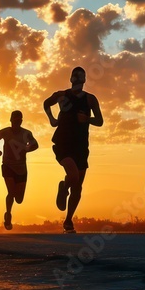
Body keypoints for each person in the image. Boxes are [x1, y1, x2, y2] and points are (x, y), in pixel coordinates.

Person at [42, 67, 104, 233]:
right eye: (75, 76)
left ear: (84, 80)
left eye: (80, 76)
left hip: (81, 146)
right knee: (74, 176)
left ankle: (68, 221)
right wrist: (52, 119)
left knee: (78, 187)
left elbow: (100, 121)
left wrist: (87, 119)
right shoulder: (62, 95)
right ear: (71, 79)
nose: (77, 79)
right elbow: (46, 103)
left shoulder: (90, 100)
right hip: (63, 143)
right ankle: (63, 187)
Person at [0, 110, 39, 230]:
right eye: (15, 119)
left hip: (21, 168)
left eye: (19, 120)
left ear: (21, 121)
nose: (17, 122)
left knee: (19, 199)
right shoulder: (4, 132)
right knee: (11, 193)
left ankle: (9, 211)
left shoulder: (26, 133)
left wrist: (26, 149)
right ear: (11, 120)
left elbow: (35, 145)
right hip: (7, 165)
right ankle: (8, 214)